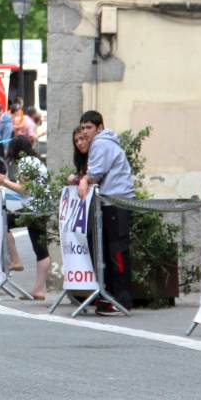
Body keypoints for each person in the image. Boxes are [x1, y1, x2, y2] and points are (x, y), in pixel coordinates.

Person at [76, 111, 134, 309]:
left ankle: (120, 299)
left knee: (117, 252)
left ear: (99, 127)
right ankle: (111, 297)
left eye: (89, 127)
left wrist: (83, 179)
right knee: (110, 251)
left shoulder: (101, 143)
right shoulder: (101, 143)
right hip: (112, 203)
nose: (85, 132)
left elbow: (95, 174)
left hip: (116, 203)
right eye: (82, 127)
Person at [0, 136, 50, 299]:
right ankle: (38, 290)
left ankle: (16, 259)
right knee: (41, 249)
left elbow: (24, 189)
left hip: (34, 209)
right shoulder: (35, 160)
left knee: (5, 221)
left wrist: (3, 182)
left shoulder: (26, 162)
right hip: (42, 207)